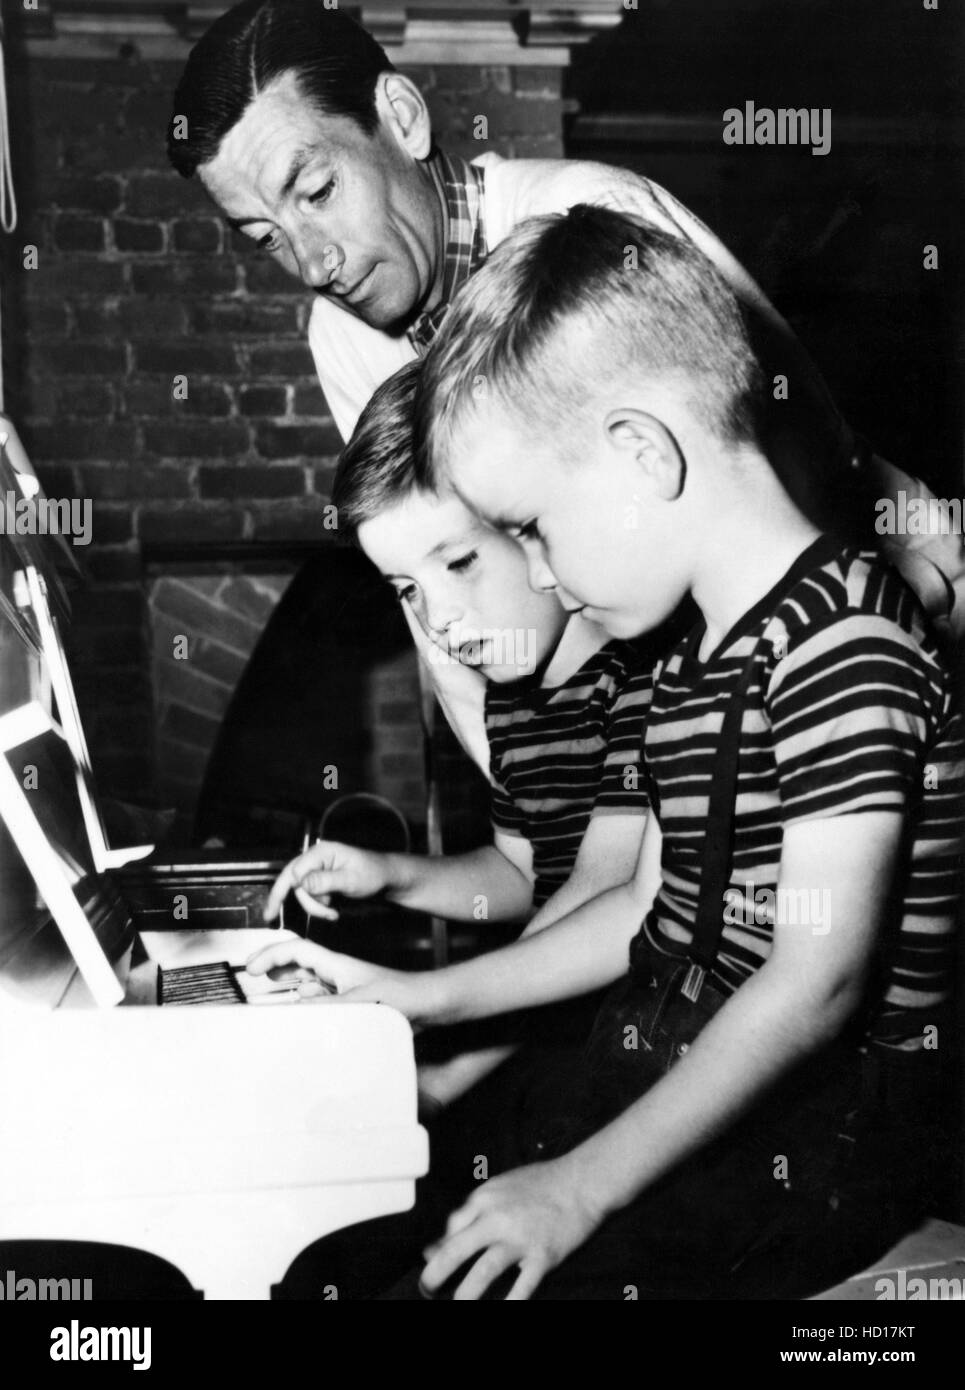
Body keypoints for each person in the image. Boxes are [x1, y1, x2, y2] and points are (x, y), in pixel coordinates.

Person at [249, 207, 964, 1300]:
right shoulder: (683, 657)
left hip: (826, 1130)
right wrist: (410, 999)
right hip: (667, 1054)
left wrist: (580, 1184)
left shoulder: (843, 643)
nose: (534, 570)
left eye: (530, 525)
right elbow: (636, 917)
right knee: (346, 1244)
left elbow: (816, 983)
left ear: (638, 451)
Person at [167, 0, 965, 781]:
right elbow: (434, 575)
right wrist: (525, 810)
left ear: (402, 118)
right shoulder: (340, 338)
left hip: (888, 580)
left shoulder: (595, 217)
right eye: (265, 237)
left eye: (316, 193)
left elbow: (793, 467)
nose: (311, 264)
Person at [268, 358, 652, 1112]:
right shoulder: (514, 695)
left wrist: (446, 1057)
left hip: (638, 1046)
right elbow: (519, 877)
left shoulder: (639, 674)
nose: (438, 618)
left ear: (531, 523)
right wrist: (391, 876)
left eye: (460, 563)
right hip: (569, 1039)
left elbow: (605, 893)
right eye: (409, 590)